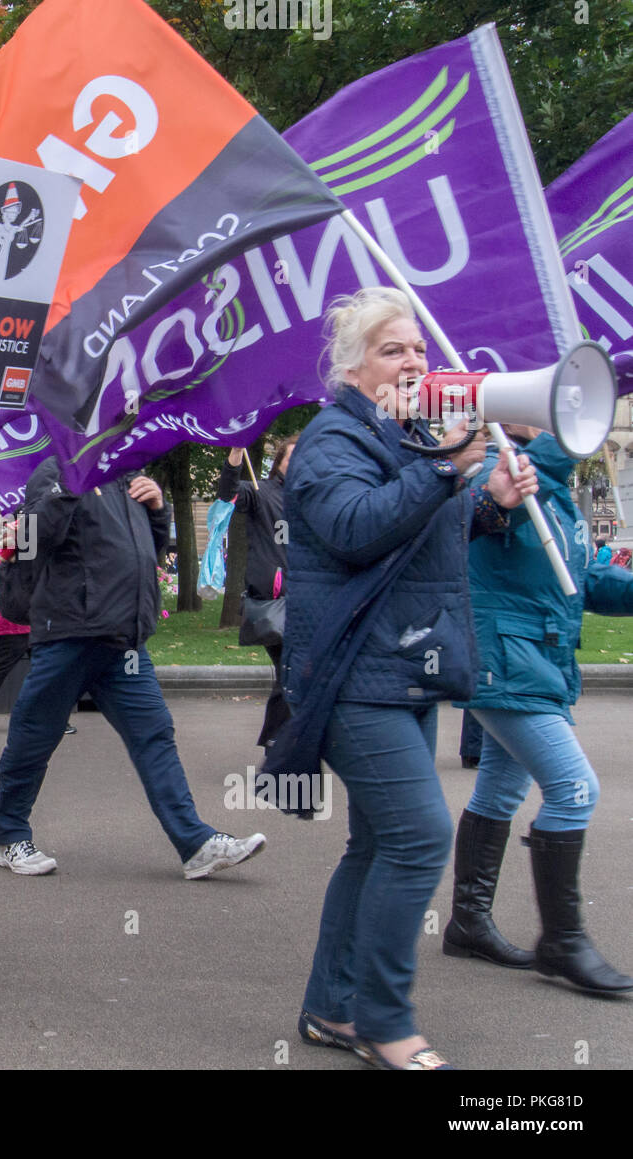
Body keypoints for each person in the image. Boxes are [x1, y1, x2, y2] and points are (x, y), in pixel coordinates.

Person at [285, 287, 537, 1070]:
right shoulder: (331, 440)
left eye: (420, 350)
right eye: (394, 350)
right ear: (353, 367)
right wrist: (447, 470)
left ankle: (331, 1007)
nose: (415, 362)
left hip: (400, 665)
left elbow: (420, 536)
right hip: (352, 676)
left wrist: (488, 502)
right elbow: (357, 529)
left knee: (373, 845)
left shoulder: (407, 436)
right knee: (421, 835)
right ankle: (384, 1021)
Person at [0, 458, 266, 880]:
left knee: (155, 736)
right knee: (34, 737)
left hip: (124, 641)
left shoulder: (128, 479)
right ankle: (9, 837)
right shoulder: (57, 471)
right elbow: (32, 538)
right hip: (68, 633)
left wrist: (159, 510)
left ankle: (195, 844)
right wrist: (70, 487)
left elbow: (150, 553)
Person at [443, 425, 633, 993]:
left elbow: (577, 579)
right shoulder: (506, 475)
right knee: (576, 789)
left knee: (499, 790)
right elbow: (493, 519)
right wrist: (559, 442)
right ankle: (562, 942)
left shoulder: (550, 484)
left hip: (532, 662)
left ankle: (468, 924)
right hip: (507, 662)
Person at [217, 437, 297, 749]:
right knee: (290, 666)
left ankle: (283, 735)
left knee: (294, 669)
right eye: (291, 458)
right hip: (273, 600)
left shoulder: (312, 494)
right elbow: (228, 494)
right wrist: (236, 454)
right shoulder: (260, 491)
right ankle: (278, 736)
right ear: (278, 463)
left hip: (306, 598)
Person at [0, 543, 77, 736]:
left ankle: (57, 718)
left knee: (48, 671)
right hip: (12, 623)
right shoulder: (2, 551)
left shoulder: (36, 548)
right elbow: (2, 576)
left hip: (37, 622)